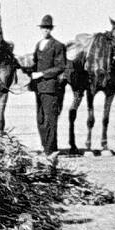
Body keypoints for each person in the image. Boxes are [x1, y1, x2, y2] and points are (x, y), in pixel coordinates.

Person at [29, 14, 68, 155]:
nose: (45, 30)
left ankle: (51, 150)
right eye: (43, 28)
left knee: (50, 120)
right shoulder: (38, 45)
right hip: (38, 88)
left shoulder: (58, 46)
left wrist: (42, 74)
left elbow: (60, 67)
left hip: (51, 88)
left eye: (47, 28)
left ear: (51, 29)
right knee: (40, 120)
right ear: (40, 29)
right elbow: (34, 64)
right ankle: (46, 148)